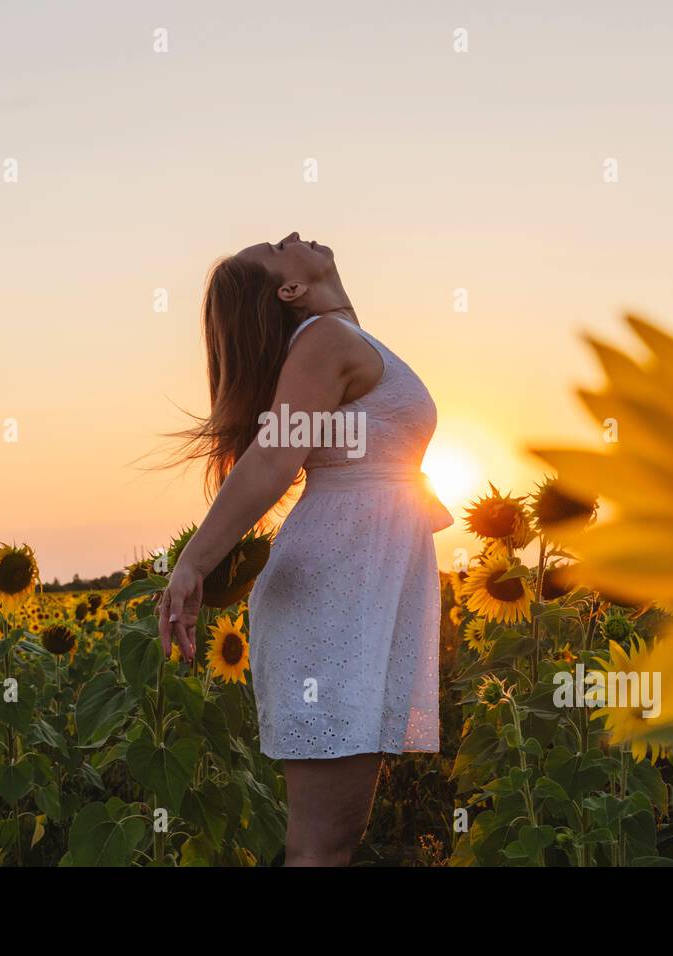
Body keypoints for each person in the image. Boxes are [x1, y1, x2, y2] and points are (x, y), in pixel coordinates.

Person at [161, 231, 451, 865]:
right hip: (334, 599)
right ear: (290, 289)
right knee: (321, 847)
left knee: (333, 842)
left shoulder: (339, 341)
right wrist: (192, 565)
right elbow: (272, 457)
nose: (292, 234)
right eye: (274, 246)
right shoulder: (324, 343)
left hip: (356, 590)